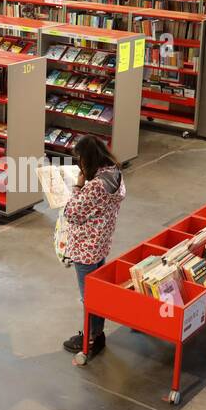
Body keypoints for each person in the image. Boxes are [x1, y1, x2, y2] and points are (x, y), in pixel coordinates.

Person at [61, 136, 126, 357]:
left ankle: (91, 339)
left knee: (89, 296)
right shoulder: (115, 172)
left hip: (85, 248)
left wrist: (78, 185)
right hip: (100, 243)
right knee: (97, 293)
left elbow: (71, 212)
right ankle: (97, 333)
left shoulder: (95, 187)